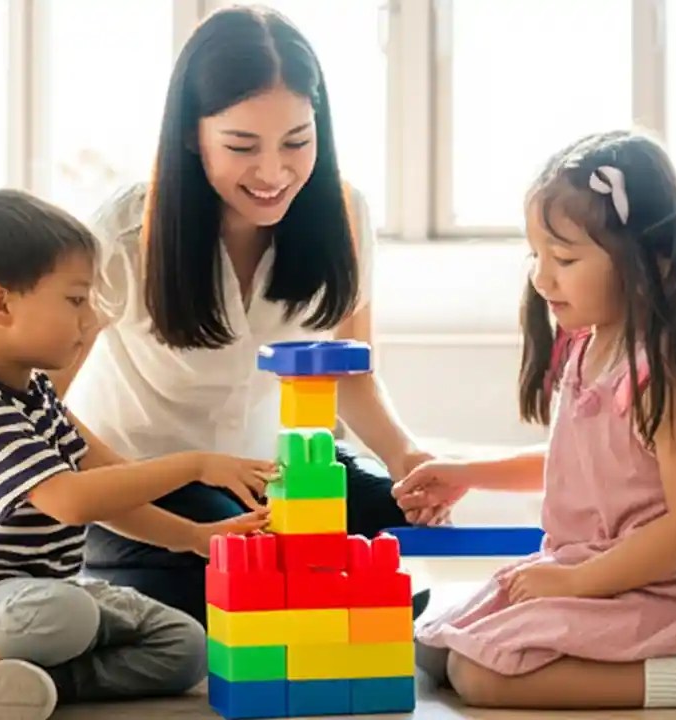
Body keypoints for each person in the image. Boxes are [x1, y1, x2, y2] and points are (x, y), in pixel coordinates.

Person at [392, 130, 676, 710]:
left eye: (564, 258)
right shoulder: (587, 349)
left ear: (648, 264)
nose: (541, 278)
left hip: (659, 586)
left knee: (481, 676)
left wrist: (575, 583)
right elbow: (586, 464)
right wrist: (468, 472)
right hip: (593, 570)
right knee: (439, 647)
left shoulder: (661, 376)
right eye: (535, 255)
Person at [50, 5, 432, 627]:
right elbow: (46, 406)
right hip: (148, 490)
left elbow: (351, 375)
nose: (274, 173)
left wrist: (407, 460)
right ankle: (308, 601)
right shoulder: (123, 235)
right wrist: (127, 490)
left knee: (390, 518)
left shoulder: (345, 215)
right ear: (190, 136)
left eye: (297, 142)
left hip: (269, 480)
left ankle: (313, 597)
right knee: (226, 541)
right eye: (241, 146)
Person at [0, 189, 276, 720]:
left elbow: (111, 485)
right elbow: (71, 501)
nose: (91, 321)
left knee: (186, 646)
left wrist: (196, 539)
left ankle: (20, 683)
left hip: (50, 597)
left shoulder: (37, 397)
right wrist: (196, 462)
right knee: (66, 613)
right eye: (75, 300)